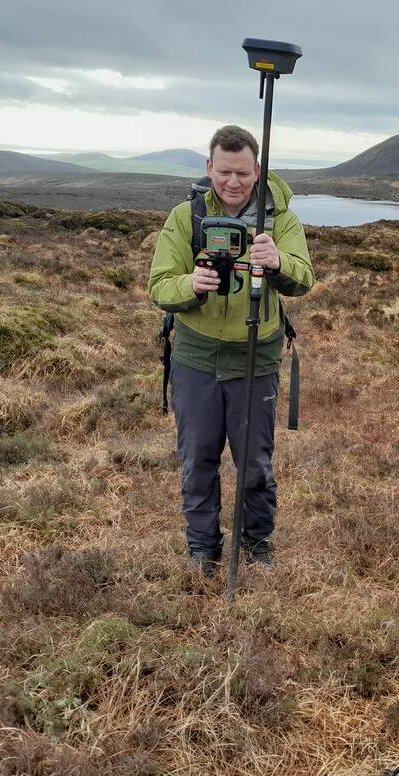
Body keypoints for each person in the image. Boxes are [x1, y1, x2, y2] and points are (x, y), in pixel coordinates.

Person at [148, 125, 314, 575]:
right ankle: (203, 550)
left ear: (257, 170)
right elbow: (159, 285)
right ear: (209, 168)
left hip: (255, 359)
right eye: (224, 172)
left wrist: (277, 261)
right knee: (197, 459)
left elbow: (303, 278)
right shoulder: (186, 218)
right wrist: (191, 284)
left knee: (255, 464)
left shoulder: (282, 221)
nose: (233, 182)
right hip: (196, 359)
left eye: (242, 173)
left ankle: (256, 545)